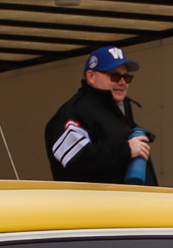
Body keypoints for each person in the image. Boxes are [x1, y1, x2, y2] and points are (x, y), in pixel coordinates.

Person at [45, 45, 158, 185]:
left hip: (132, 205)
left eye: (126, 77)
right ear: (91, 77)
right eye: (115, 76)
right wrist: (126, 150)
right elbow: (76, 162)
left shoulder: (118, 112)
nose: (122, 82)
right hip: (95, 206)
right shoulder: (72, 113)